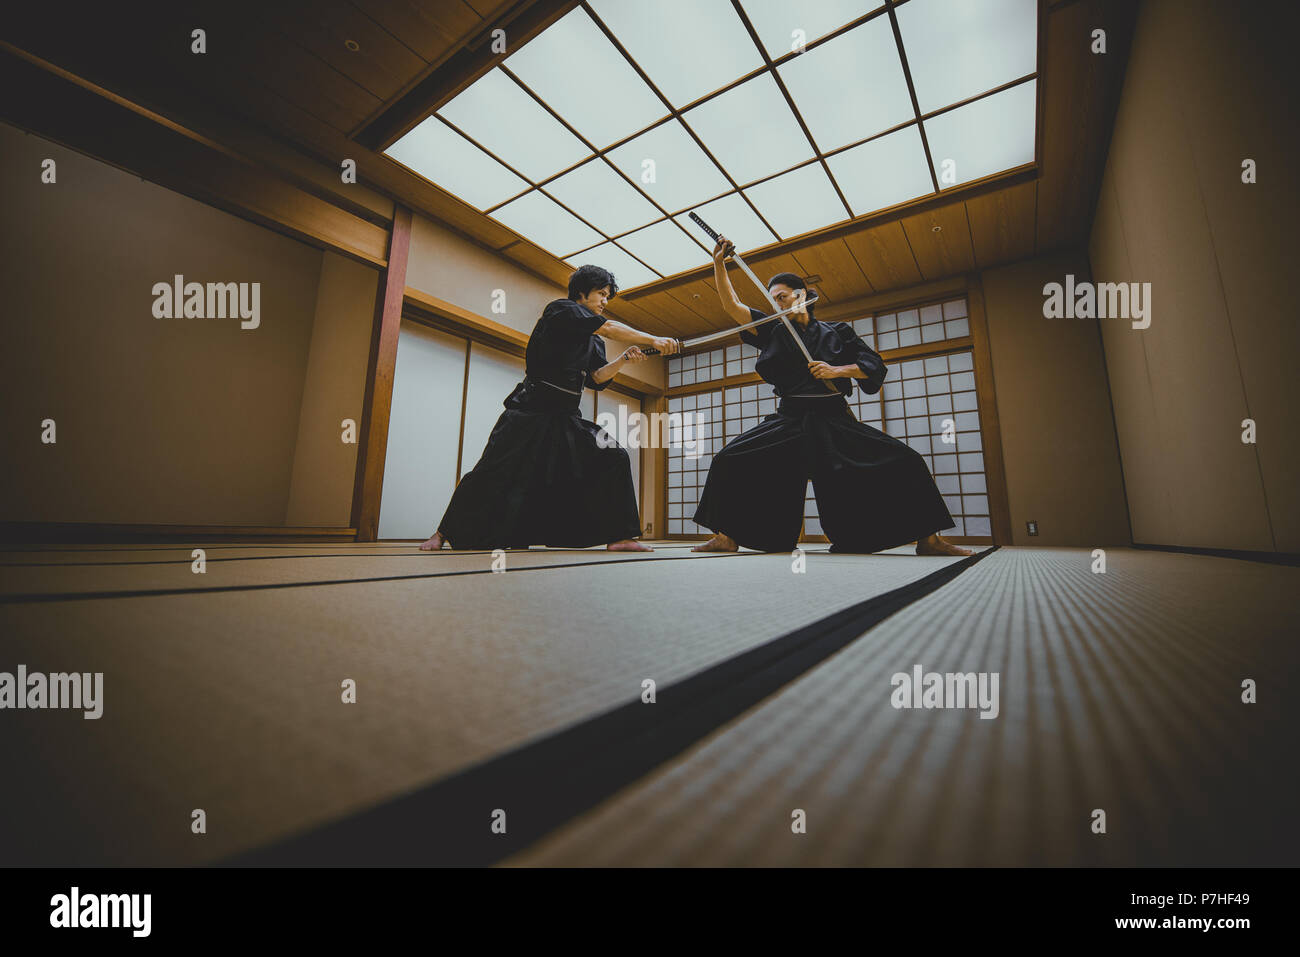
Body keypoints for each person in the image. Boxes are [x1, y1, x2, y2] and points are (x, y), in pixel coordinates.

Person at [692, 237, 972, 557]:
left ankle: (930, 540)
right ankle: (728, 536)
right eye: (773, 300)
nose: (777, 305)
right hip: (790, 417)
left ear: (802, 296)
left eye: (782, 297)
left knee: (907, 459)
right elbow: (732, 306)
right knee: (729, 458)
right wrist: (718, 264)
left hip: (833, 416)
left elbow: (873, 367)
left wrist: (836, 371)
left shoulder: (838, 332)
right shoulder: (772, 330)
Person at [420, 265, 679, 552]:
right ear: (582, 292)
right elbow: (608, 326)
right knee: (491, 469)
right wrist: (652, 339)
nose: (605, 301)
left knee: (613, 456)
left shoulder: (594, 340)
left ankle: (620, 537)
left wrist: (622, 362)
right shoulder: (561, 310)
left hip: (566, 416)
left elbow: (595, 378)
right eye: (601, 294)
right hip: (530, 409)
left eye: (608, 296)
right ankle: (441, 534)